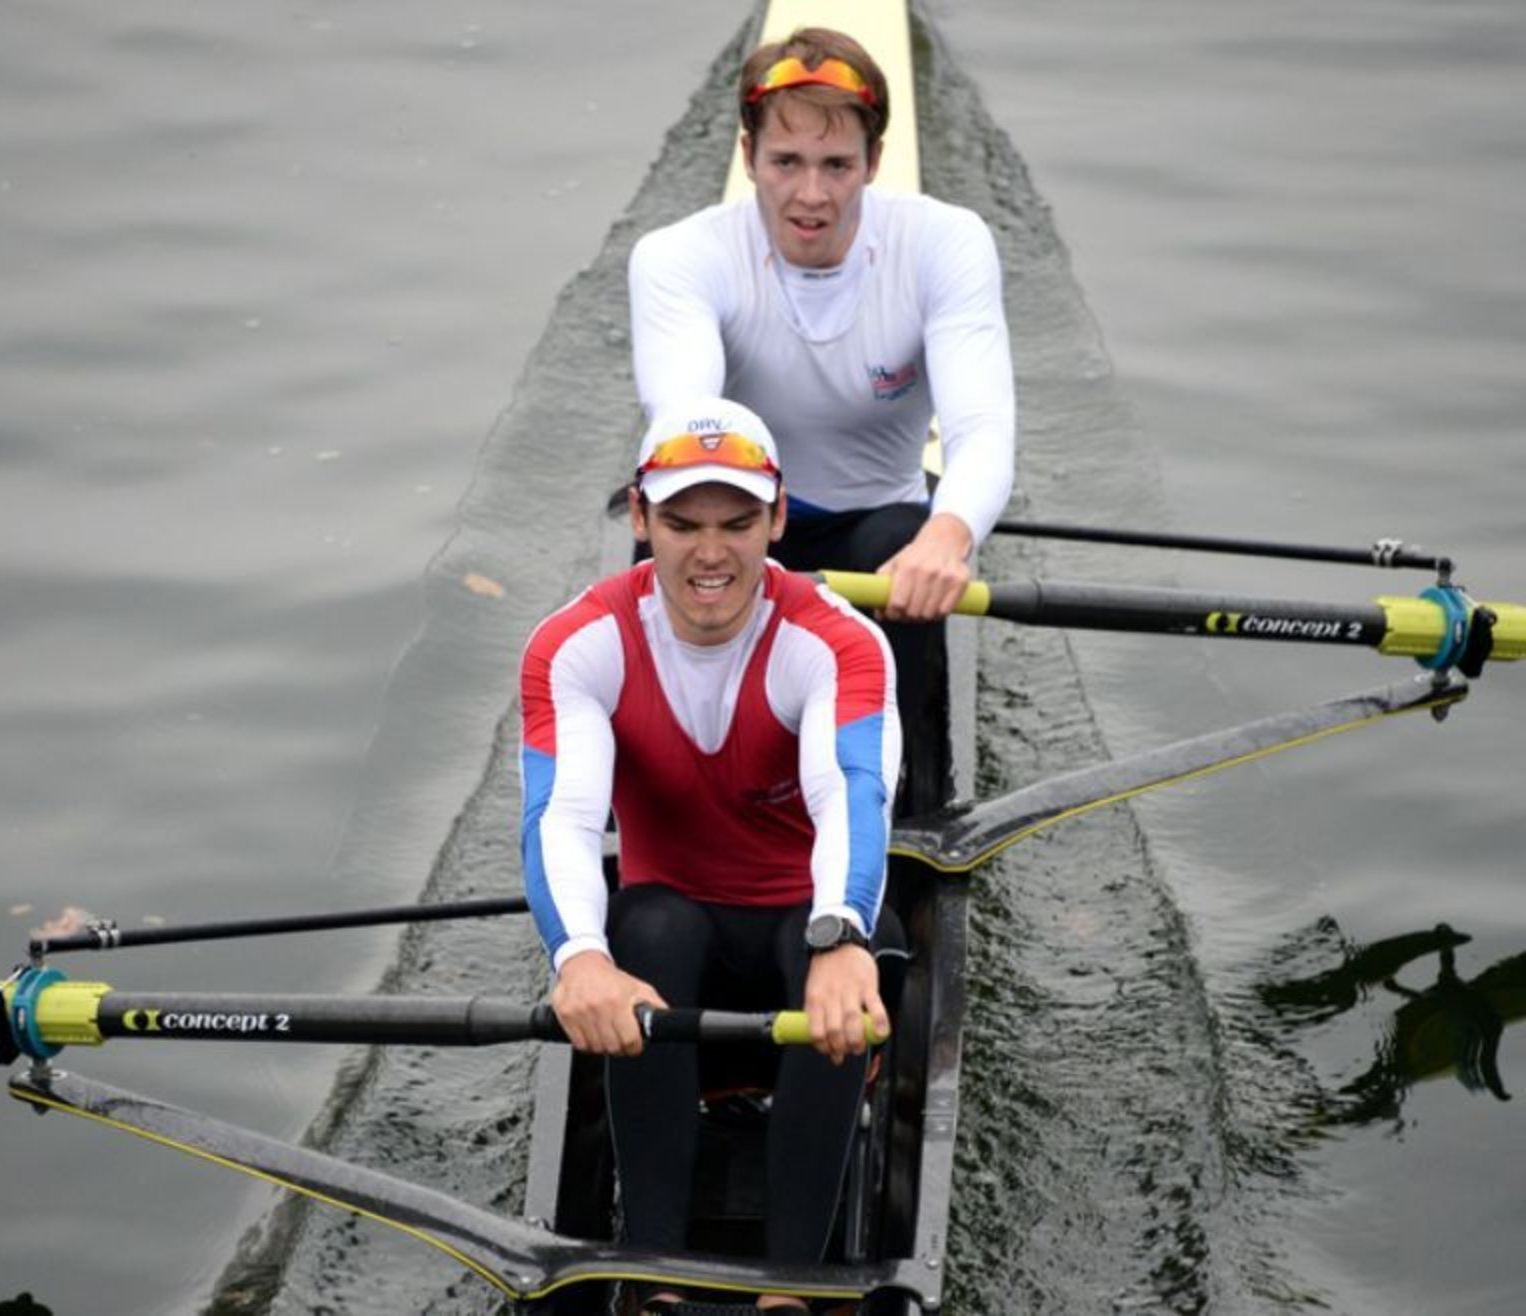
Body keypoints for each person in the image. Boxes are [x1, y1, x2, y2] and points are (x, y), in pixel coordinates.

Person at [520, 397, 900, 1312]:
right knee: (640, 925)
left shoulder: (840, 642)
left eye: (738, 523)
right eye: (683, 524)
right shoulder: (576, 643)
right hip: (669, 946)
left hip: (799, 940)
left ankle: (791, 1288)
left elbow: (847, 792)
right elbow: (560, 818)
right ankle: (652, 1271)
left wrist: (843, 931)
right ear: (641, 520)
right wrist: (577, 961)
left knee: (845, 948)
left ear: (779, 519)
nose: (712, 552)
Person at [629, 25, 1015, 816]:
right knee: (670, 530)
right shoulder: (678, 258)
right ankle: (670, 790)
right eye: (786, 163)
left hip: (876, 532)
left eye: (837, 165)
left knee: (900, 546)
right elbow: (686, 424)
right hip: (729, 507)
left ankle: (898, 811)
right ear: (748, 158)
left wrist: (951, 538)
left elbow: (982, 429)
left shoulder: (944, 244)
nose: (811, 195)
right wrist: (729, 548)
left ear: (874, 163)